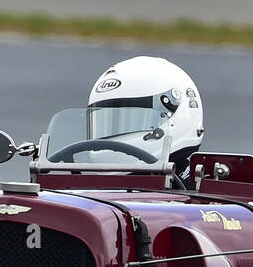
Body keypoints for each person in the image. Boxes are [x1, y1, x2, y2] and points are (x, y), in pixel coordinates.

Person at [85, 56, 204, 186]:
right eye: (107, 123)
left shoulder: (200, 191)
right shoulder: (92, 192)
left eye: (131, 121)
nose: (114, 134)